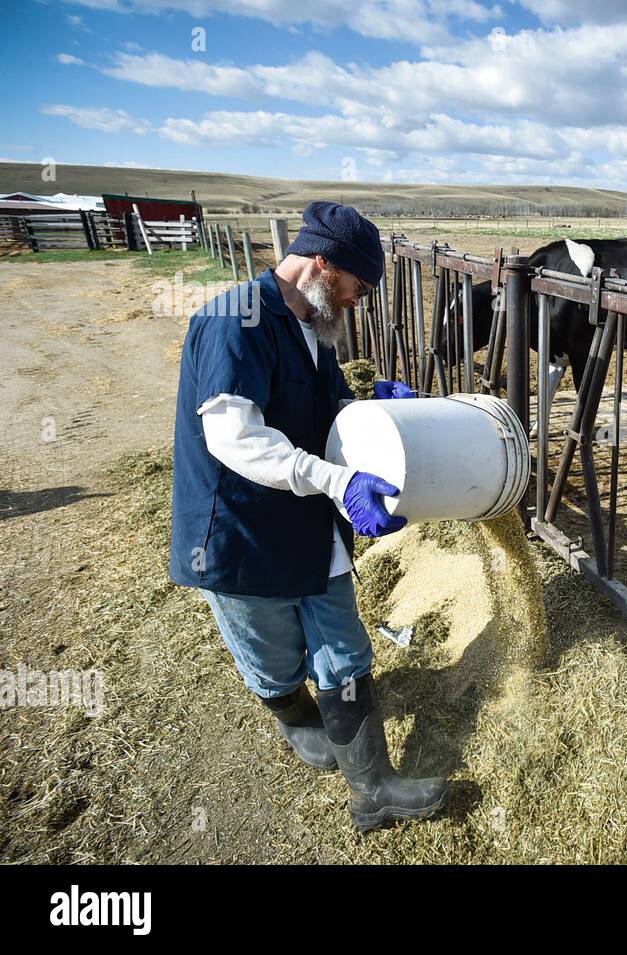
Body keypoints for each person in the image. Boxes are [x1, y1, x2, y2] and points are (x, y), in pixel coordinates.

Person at [169, 201, 443, 832]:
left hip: (307, 523)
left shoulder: (309, 325)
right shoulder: (232, 321)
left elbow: (313, 404)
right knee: (274, 661)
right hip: (240, 533)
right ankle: (295, 719)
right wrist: (338, 481)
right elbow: (236, 440)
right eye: (357, 287)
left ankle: (372, 791)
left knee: (344, 652)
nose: (357, 301)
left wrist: (368, 406)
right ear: (323, 264)